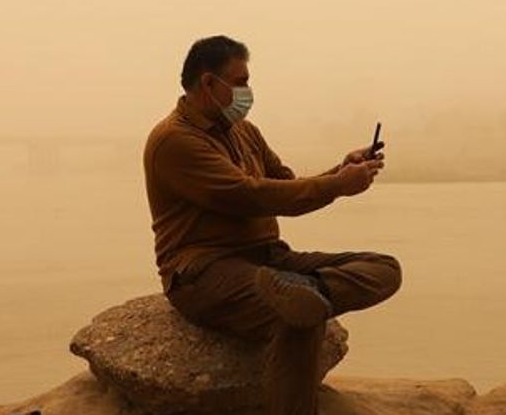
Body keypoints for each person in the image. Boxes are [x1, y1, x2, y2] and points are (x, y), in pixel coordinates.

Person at [142, 34, 403, 415]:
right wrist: (338, 187)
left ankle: (307, 291)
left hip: (268, 260)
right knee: (298, 319)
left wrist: (341, 170)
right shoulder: (174, 141)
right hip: (204, 271)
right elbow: (249, 196)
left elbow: (283, 183)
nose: (248, 91)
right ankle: (302, 299)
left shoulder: (245, 132)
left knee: (384, 268)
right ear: (208, 83)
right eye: (241, 82)